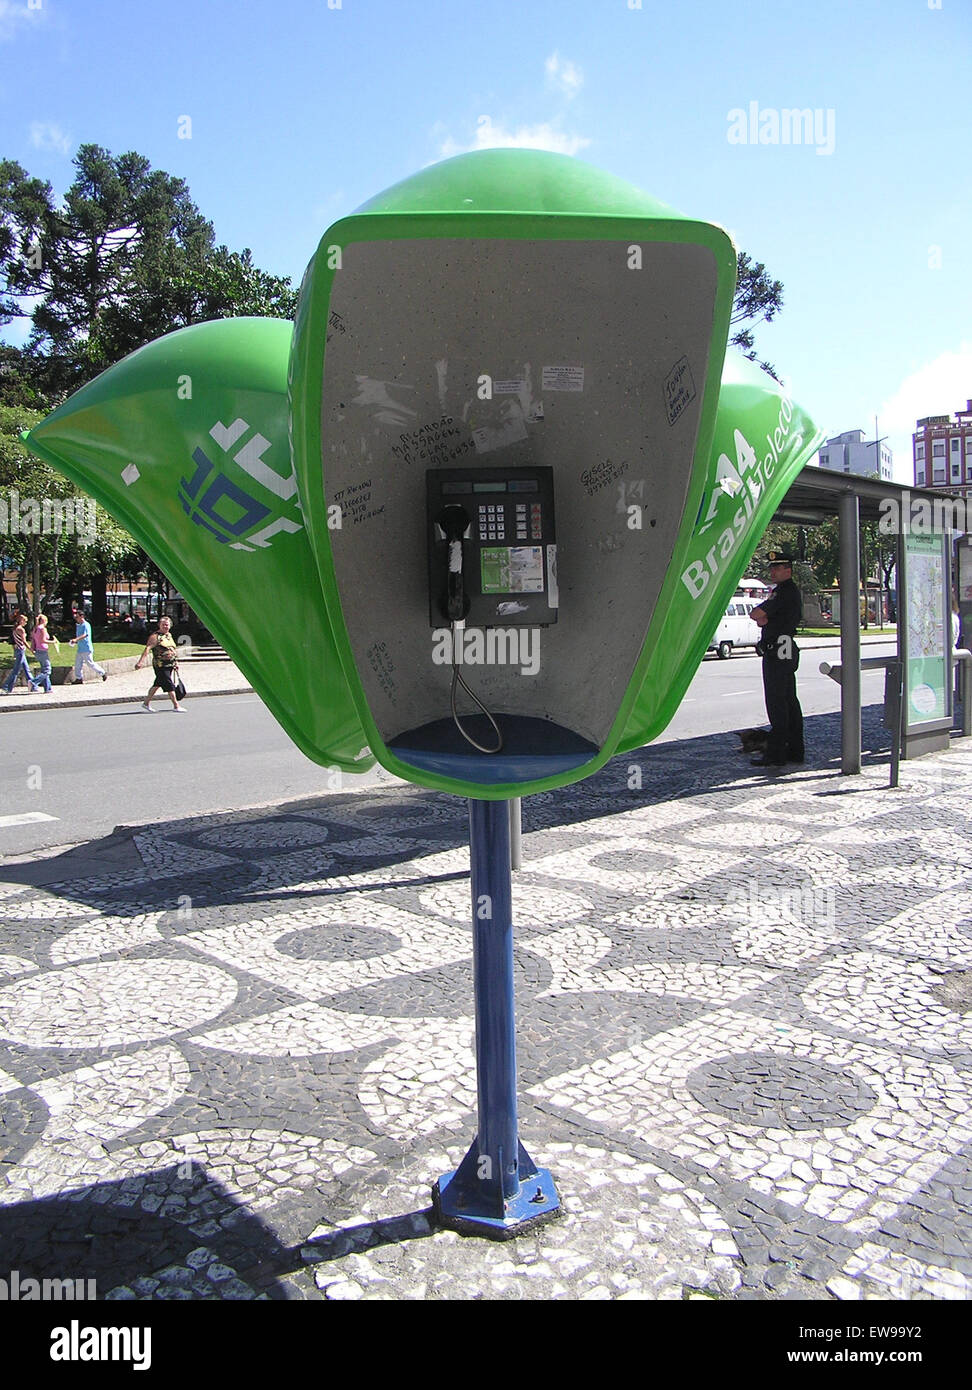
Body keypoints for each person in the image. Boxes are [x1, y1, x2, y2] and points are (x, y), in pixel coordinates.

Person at [750, 552, 804, 768]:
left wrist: (765, 617)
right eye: (771, 568)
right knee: (789, 701)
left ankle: (777, 754)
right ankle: (794, 750)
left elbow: (757, 615)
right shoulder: (787, 592)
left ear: (787, 570)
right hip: (784, 646)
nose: (772, 572)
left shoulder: (783, 592)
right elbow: (761, 619)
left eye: (776, 568)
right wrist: (765, 618)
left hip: (778, 648)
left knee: (777, 702)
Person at [134, 615, 185, 712]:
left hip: (170, 664)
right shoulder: (155, 637)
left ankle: (146, 703)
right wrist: (140, 662)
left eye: (167, 625)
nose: (165, 626)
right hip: (160, 665)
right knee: (169, 684)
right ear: (159, 625)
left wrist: (175, 663)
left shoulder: (169, 636)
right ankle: (176, 705)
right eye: (163, 625)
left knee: (157, 684)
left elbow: (172, 650)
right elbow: (147, 649)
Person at [2, 612, 38, 694]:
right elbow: (24, 641)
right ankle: (6, 686)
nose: (26, 623)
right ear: (21, 621)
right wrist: (31, 649)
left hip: (19, 650)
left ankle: (33, 685)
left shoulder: (15, 628)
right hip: (20, 650)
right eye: (25, 621)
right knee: (16, 670)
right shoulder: (20, 629)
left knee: (26, 669)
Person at [68, 607, 107, 683]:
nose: (76, 618)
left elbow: (85, 635)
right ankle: (79, 678)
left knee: (90, 663)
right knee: (78, 664)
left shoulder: (86, 625)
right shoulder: (78, 626)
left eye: (77, 617)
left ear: (82, 616)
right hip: (80, 648)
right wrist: (75, 641)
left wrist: (76, 639)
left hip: (86, 648)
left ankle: (103, 673)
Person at [29, 613, 58, 694]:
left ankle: (47, 688)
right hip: (42, 651)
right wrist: (53, 642)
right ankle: (33, 682)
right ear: (45, 621)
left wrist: (32, 649)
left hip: (37, 651)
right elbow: (43, 640)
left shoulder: (35, 628)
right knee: (47, 670)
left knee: (44, 669)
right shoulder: (42, 629)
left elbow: (33, 640)